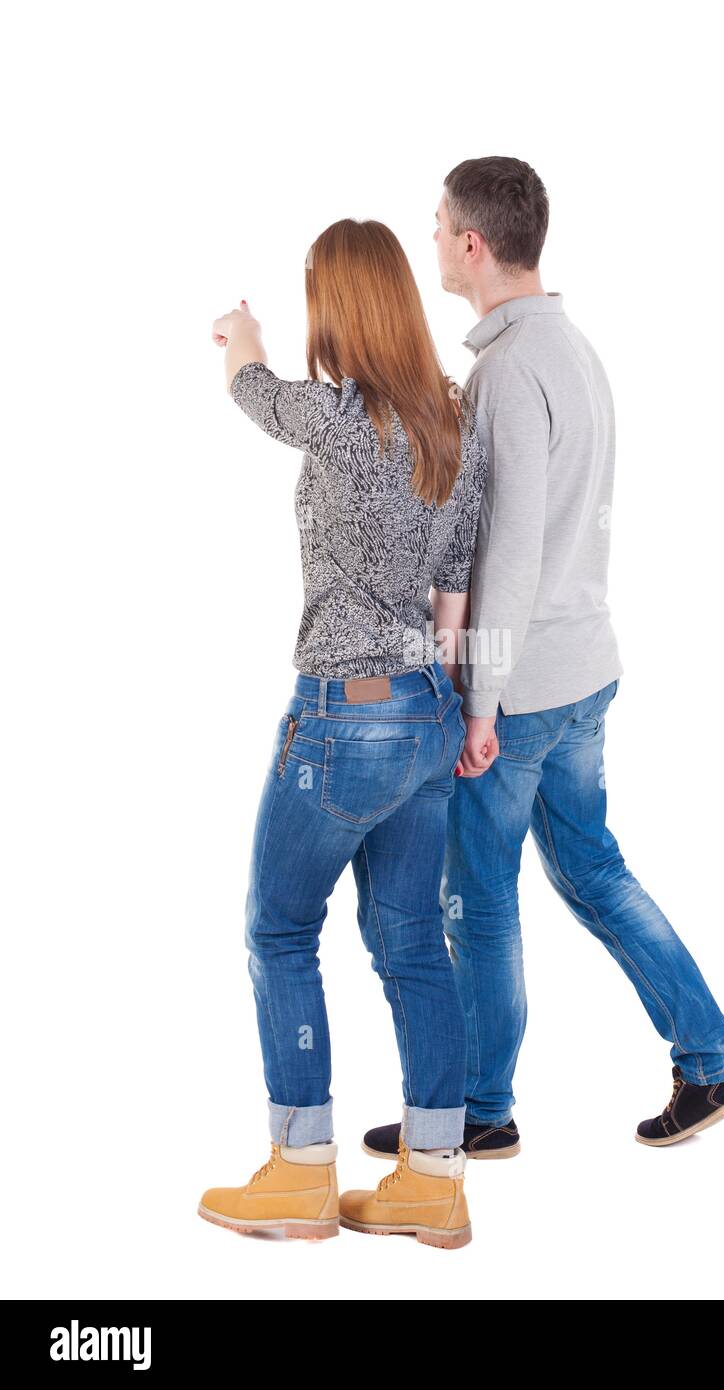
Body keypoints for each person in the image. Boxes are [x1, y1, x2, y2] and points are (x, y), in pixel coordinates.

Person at [363, 157, 724, 1163]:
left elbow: (509, 551)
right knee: (594, 871)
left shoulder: (508, 370)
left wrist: (481, 701)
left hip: (526, 685)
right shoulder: (572, 348)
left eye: (438, 225)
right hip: (585, 667)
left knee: (479, 897)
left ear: (472, 243)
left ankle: (477, 1107)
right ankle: (714, 1057)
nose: (432, 241)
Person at [199, 219, 487, 1248]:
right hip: (424, 707)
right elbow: (455, 594)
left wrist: (239, 329)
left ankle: (303, 1169)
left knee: (279, 929)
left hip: (343, 715)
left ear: (338, 307)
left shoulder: (333, 416)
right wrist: (458, 710)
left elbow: (251, 390)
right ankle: (432, 1180)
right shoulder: (448, 424)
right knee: (415, 945)